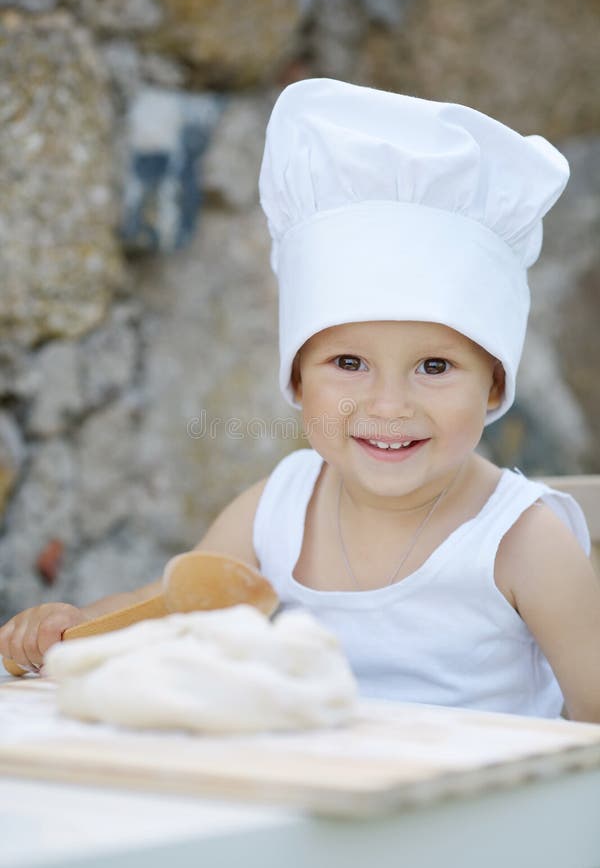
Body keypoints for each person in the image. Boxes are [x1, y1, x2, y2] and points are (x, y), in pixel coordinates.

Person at [2, 79, 599, 722]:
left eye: (435, 365)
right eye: (348, 363)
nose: (389, 404)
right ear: (297, 380)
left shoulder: (521, 541)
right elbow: (171, 605)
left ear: (494, 384)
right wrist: (72, 627)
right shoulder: (279, 509)